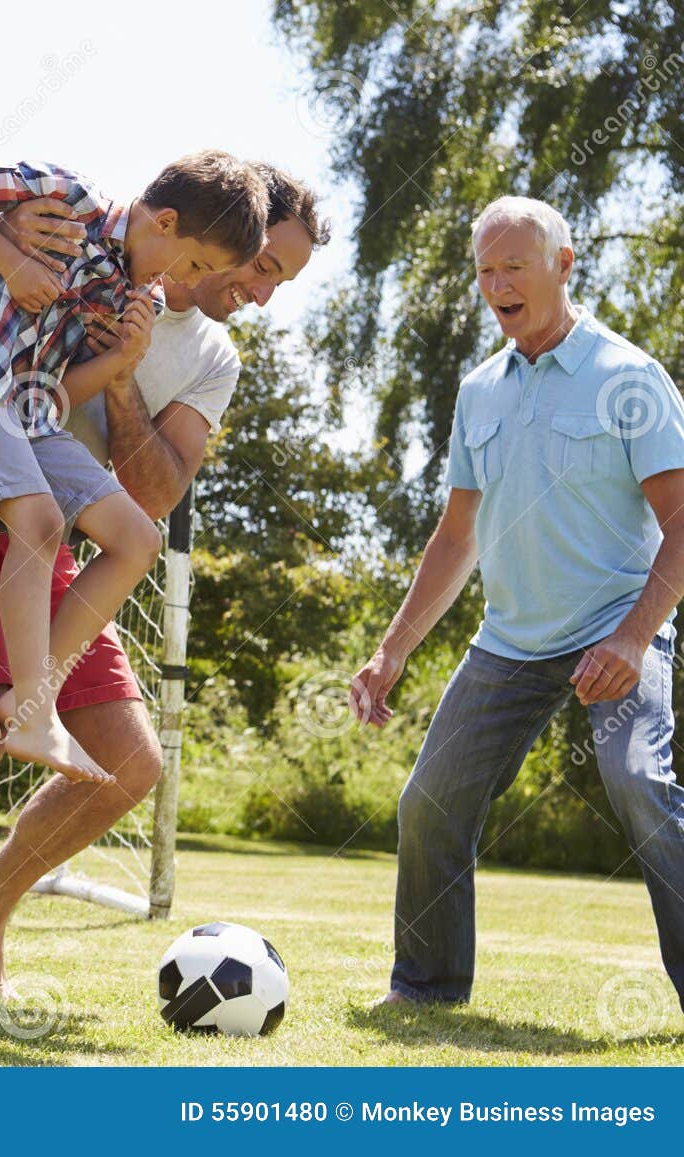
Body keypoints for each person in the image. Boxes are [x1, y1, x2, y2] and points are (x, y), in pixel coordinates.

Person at [0, 165, 328, 1018]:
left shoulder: (205, 351)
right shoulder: (95, 236)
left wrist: (124, 378)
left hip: (48, 533)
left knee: (128, 763)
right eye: (266, 266)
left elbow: (153, 495)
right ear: (215, 232)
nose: (261, 291)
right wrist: (3, 243)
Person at [351, 196, 684, 1011]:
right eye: (484, 271)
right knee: (430, 802)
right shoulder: (479, 391)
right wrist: (393, 648)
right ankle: (427, 987)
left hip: (615, 629)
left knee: (639, 779)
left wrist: (636, 638)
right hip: (508, 640)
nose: (497, 285)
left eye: (514, 266)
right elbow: (457, 535)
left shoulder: (627, 376)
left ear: (564, 266)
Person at [0, 154, 268, 782]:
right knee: (41, 520)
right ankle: (32, 711)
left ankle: (33, 696)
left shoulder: (138, 296)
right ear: (164, 221)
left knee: (137, 540)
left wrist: (125, 361)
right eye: (197, 263)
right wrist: (9, 258)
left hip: (32, 412)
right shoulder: (71, 198)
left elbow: (65, 392)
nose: (188, 280)